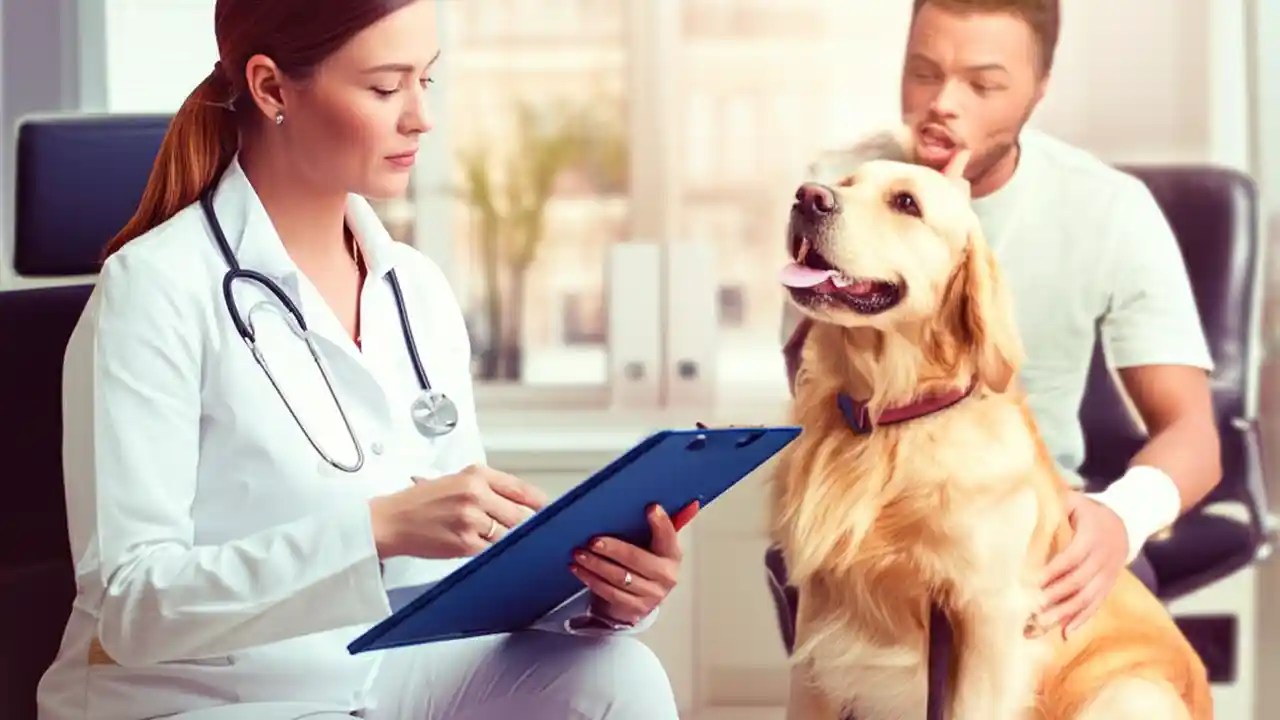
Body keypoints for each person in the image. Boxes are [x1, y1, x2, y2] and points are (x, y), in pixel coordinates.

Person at [36, 2, 687, 718]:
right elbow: (131, 604)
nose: (419, 117)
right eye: (385, 88)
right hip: (210, 700)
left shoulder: (415, 289)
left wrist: (599, 593)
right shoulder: (154, 290)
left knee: (618, 673)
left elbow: (465, 572)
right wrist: (374, 528)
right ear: (272, 88)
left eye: (426, 82)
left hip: (380, 680)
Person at [779, 0, 1221, 641]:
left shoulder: (1110, 209)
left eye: (983, 84)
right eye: (923, 72)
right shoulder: (837, 188)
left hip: (1042, 515)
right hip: (872, 507)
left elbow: (1195, 435)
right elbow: (806, 381)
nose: (943, 104)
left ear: (1039, 90)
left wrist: (1118, 518)